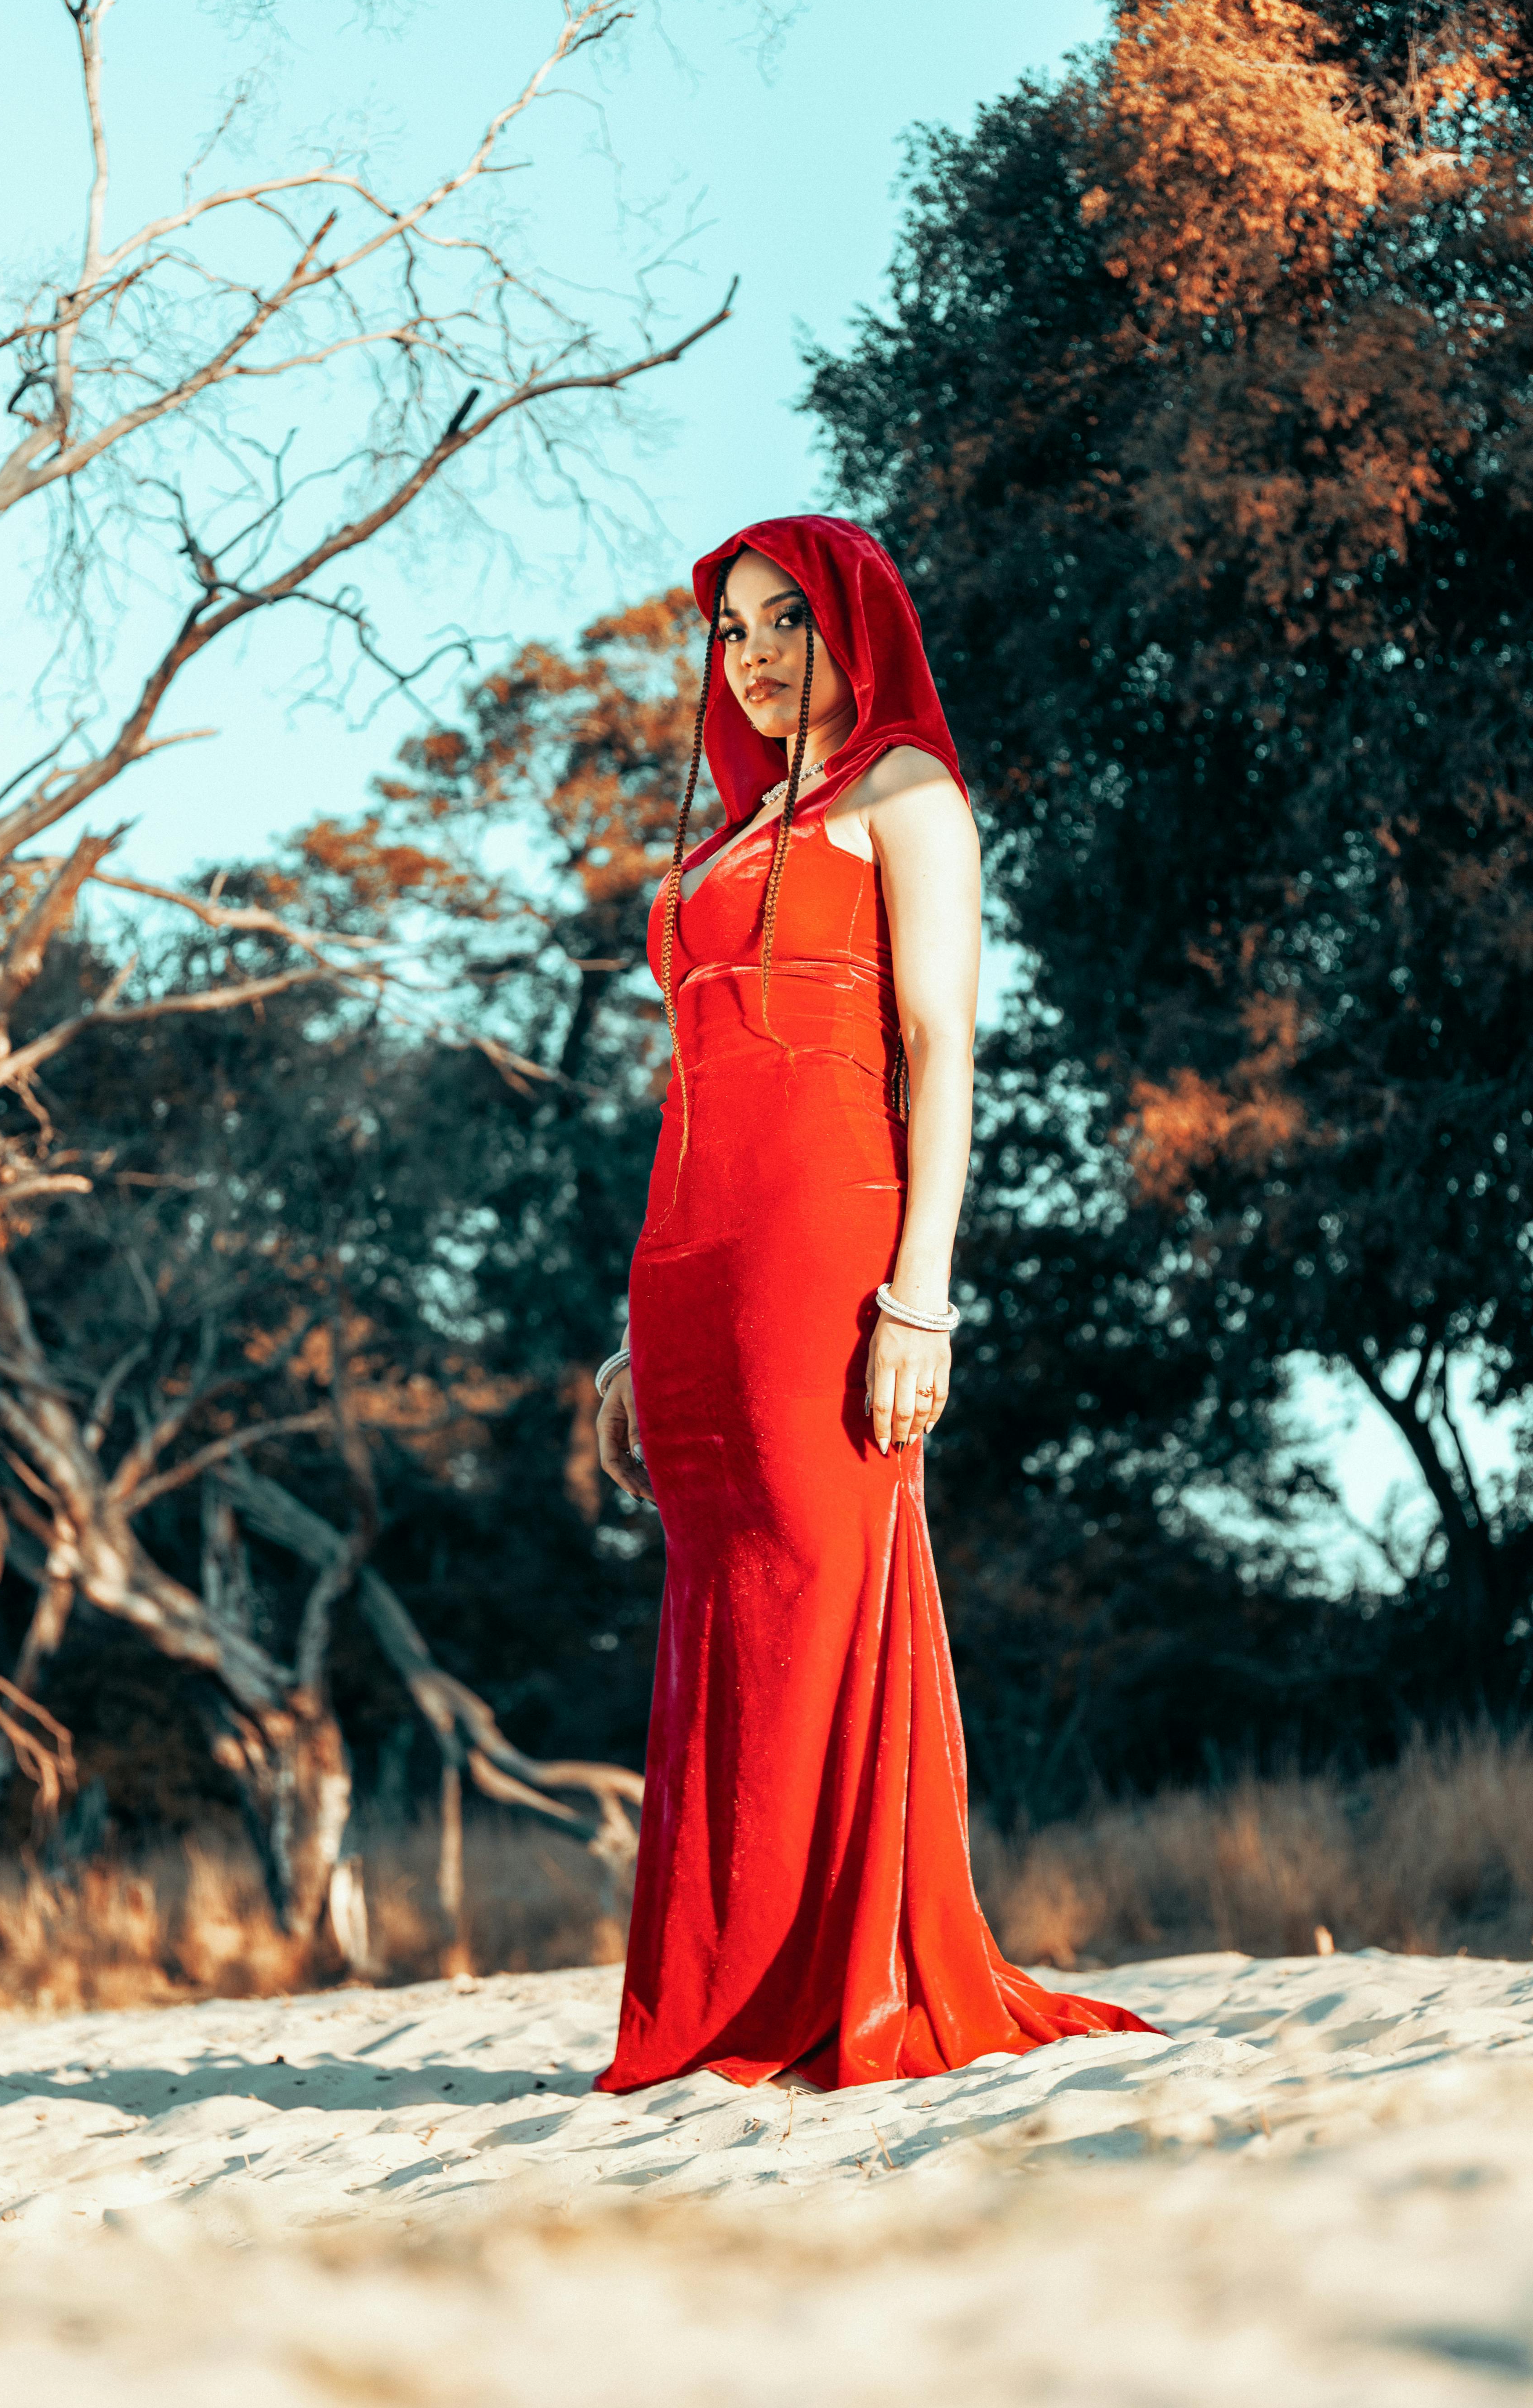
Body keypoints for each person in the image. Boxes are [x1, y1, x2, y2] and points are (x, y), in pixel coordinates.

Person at [590, 516, 1158, 2093]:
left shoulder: (908, 795)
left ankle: (838, 1982)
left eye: (786, 619)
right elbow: (685, 1084)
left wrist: (923, 1301)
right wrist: (624, 1333)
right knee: (716, 1608)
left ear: (856, 624)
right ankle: (724, 2002)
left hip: (824, 1246)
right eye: (729, 629)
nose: (756, 654)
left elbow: (942, 1048)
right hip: (687, 1261)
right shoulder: (726, 830)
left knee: (825, 1583)